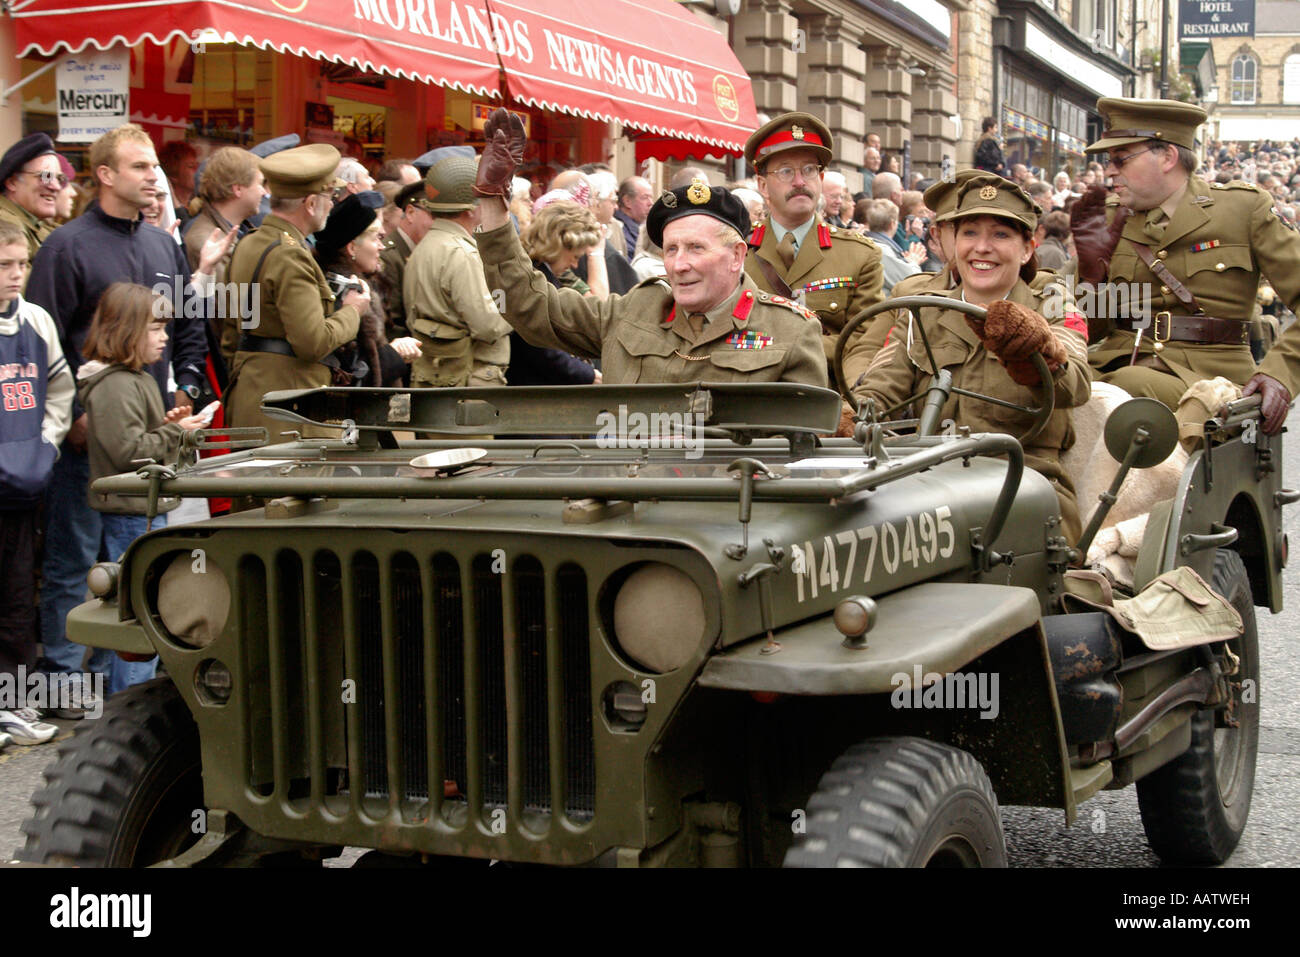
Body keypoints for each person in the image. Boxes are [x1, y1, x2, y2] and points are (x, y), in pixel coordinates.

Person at [27, 123, 217, 700]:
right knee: (75, 563)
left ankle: (130, 692)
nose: (152, 175)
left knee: (142, 566)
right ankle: (63, 683)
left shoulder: (163, 243)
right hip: (86, 437)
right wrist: (71, 417)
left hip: (151, 430)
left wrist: (185, 385)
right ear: (106, 175)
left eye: (154, 165)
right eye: (139, 166)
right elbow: (43, 340)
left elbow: (189, 326)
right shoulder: (67, 246)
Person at [472, 108, 827, 386]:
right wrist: (491, 201)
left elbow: (798, 459)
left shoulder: (791, 332)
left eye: (696, 248)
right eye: (671, 250)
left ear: (737, 256)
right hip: (626, 480)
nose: (679, 264)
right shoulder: (633, 312)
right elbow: (526, 304)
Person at [852, 173, 1091, 540]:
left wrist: (1036, 350)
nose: (982, 247)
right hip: (925, 479)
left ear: (1027, 249)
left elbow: (1074, 381)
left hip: (1024, 483)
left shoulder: (1053, 303)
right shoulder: (924, 311)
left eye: (1000, 235)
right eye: (969, 233)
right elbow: (882, 388)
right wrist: (851, 417)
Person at [1073, 97, 1300, 433]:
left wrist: (1279, 375)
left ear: (1167, 156)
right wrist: (1092, 278)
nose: (1109, 171)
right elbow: (1091, 331)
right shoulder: (1110, 217)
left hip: (1209, 380)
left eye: (1121, 160)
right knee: (1044, 395)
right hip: (1114, 368)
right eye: (1109, 161)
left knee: (1122, 392)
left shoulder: (1242, 209)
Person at [77, 284, 208, 695]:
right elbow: (128, 453)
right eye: (155, 329)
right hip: (133, 514)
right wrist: (174, 431)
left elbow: (138, 438)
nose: (164, 337)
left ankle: (115, 699)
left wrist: (168, 426)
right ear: (128, 331)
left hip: (141, 511)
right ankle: (130, 702)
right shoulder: (117, 385)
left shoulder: (134, 379)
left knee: (130, 614)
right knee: (140, 621)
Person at [225, 143, 366, 441]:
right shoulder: (290, 255)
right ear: (311, 203)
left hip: (252, 396)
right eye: (330, 196)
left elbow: (231, 332)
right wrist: (352, 311)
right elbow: (312, 342)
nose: (333, 203)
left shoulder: (250, 242)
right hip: (290, 410)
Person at [742, 112, 883, 390]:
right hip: (750, 400)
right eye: (786, 171)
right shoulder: (737, 255)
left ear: (820, 178)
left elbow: (866, 340)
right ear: (762, 185)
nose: (799, 182)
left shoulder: (860, 255)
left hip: (830, 404)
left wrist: (777, 348)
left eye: (808, 170)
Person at [0, 221, 72, 744]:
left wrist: (46, 444)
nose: (16, 275)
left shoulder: (37, 321)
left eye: (22, 263)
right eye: (4, 266)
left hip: (22, 489)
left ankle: (13, 705)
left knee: (18, 598)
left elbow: (59, 390)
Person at [404, 153, 512, 388]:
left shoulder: (423, 249)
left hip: (434, 376)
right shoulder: (463, 254)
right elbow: (488, 326)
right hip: (470, 381)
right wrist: (515, 304)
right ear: (471, 210)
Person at [313, 190, 420, 386]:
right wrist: (395, 353)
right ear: (352, 248)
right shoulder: (345, 292)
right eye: (375, 239)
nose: (381, 246)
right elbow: (352, 374)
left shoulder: (359, 284)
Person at [508, 200, 603, 385]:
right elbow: (542, 348)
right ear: (558, 245)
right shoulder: (533, 281)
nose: (575, 265)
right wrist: (588, 375)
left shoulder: (536, 274)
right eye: (575, 257)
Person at [0, 133, 61, 268]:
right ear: (12, 183)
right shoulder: (6, 224)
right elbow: (24, 284)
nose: (56, 187)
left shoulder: (38, 224)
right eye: (46, 176)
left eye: (60, 179)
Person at [862, 199, 923, 294]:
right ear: (892, 224)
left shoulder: (867, 243)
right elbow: (911, 281)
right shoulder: (881, 250)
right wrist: (914, 262)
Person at [158, 141, 199, 218]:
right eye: (191, 166)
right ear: (173, 176)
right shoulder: (166, 212)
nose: (197, 170)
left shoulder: (197, 209)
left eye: (197, 165)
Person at [614, 176, 653, 255]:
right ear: (627, 201)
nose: (650, 203)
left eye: (651, 198)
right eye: (645, 197)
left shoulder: (644, 225)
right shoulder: (619, 230)